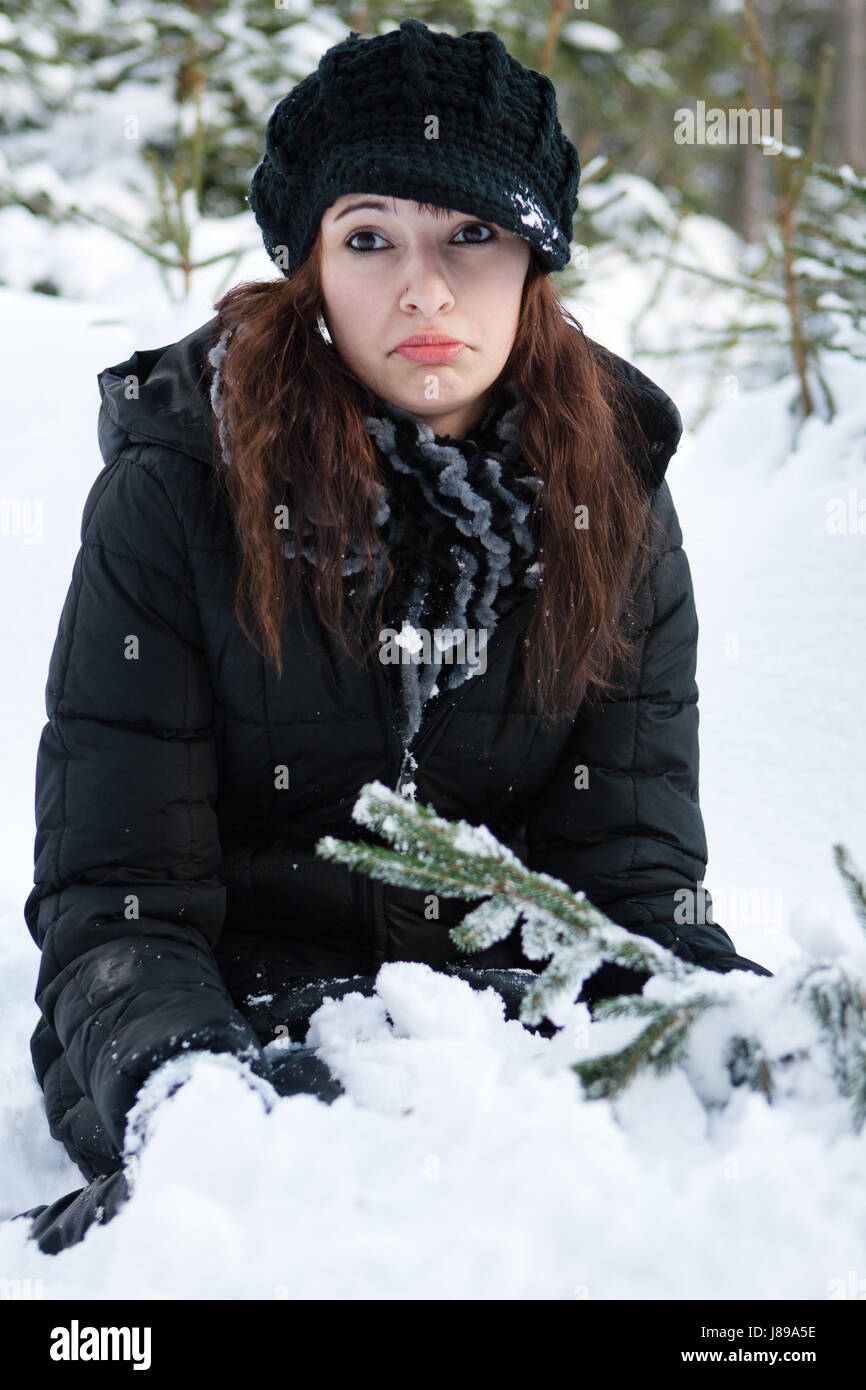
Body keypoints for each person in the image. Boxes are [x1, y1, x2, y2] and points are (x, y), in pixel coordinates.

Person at [10, 18, 771, 1256]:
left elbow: (626, 888)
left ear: (536, 257)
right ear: (310, 263)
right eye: (369, 238)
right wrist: (198, 1095)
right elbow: (121, 898)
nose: (423, 288)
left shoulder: (610, 489)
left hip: (507, 1042)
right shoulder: (178, 485)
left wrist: (716, 1035)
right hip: (227, 1022)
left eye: (471, 233)